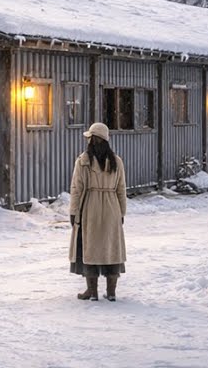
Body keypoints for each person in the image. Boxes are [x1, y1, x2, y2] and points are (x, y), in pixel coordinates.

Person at [69, 122, 127, 301]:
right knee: (111, 247)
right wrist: (121, 213)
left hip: (90, 207)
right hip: (111, 207)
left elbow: (77, 189)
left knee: (90, 247)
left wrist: (74, 212)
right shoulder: (116, 161)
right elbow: (121, 189)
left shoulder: (83, 161)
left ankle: (92, 291)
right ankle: (111, 292)